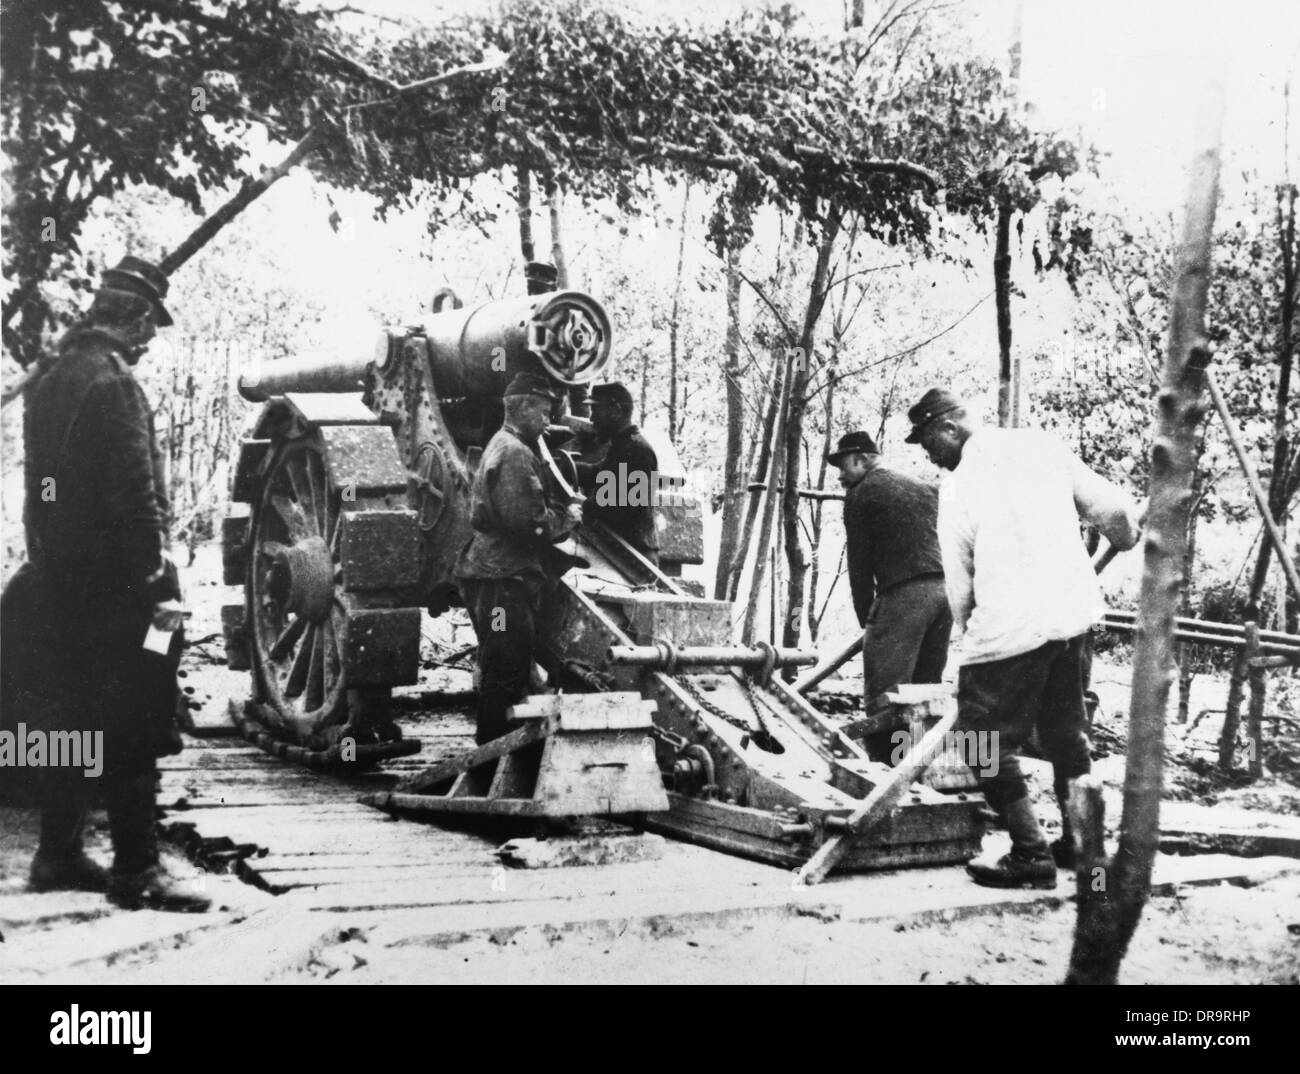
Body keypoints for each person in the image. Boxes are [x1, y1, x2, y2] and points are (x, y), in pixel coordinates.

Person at [1, 256, 210, 912]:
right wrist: (156, 577)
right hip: (121, 588)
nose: (150, 341)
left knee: (66, 717)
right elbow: (134, 492)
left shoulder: (52, 377)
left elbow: (43, 490)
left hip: (56, 580)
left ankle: (57, 853)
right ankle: (137, 869)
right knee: (139, 713)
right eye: (150, 327)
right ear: (136, 319)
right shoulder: (115, 383)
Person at [905, 387, 1140, 889]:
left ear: (948, 427)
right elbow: (1118, 517)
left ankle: (1030, 853)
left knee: (978, 737)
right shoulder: (1043, 447)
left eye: (928, 443)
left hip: (1008, 627)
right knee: (1065, 735)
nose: (929, 455)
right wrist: (1119, 546)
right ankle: (1083, 847)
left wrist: (971, 641)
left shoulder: (959, 486)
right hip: (1072, 621)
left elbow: (960, 586)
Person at [455, 372, 584, 744]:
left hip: (498, 574)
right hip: (502, 582)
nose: (548, 420)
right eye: (544, 411)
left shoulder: (504, 445)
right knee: (505, 668)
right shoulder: (514, 452)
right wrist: (567, 519)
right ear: (524, 407)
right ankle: (494, 752)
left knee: (505, 665)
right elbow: (530, 524)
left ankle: (496, 748)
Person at [826, 430, 952, 707]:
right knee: (926, 692)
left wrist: (867, 618)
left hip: (905, 595)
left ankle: (883, 752)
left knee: (885, 696)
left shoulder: (861, 493)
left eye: (843, 466)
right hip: (946, 594)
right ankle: (919, 750)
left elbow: (859, 563)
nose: (840, 476)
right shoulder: (925, 486)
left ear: (861, 460)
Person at [575, 381, 660, 563]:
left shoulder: (638, 451)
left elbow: (623, 509)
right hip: (624, 552)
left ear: (616, 409)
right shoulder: (624, 445)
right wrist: (567, 467)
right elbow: (600, 474)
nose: (592, 419)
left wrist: (580, 504)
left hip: (635, 558)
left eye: (596, 411)